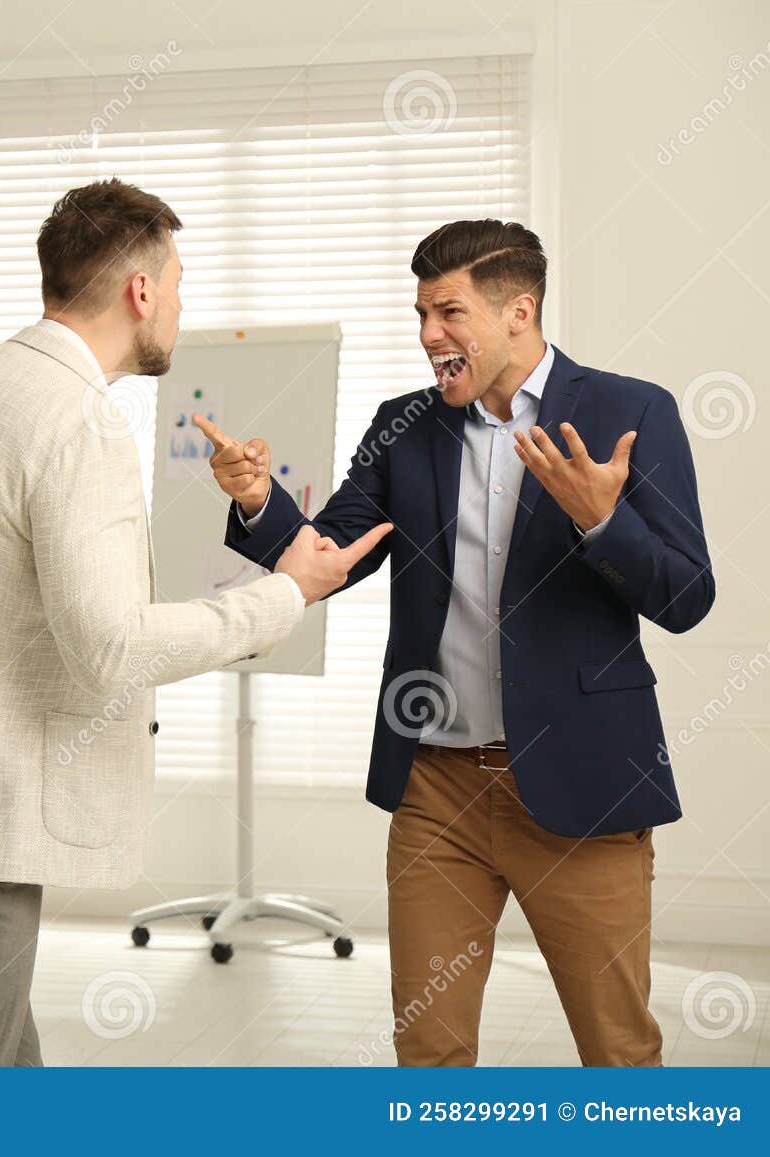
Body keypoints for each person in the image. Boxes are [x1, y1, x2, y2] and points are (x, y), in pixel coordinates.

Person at [0, 178, 390, 1066]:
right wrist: (287, 591)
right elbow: (110, 648)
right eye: (180, 283)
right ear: (141, 291)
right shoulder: (81, 424)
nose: (182, 305)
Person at [205, 219, 713, 1066]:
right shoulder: (403, 425)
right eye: (419, 314)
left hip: (580, 788)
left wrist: (603, 521)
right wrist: (260, 501)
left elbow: (688, 596)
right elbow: (328, 556)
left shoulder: (632, 411)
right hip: (437, 790)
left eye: (448, 312)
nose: (429, 336)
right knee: (429, 1056)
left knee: (618, 1054)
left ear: (521, 309)